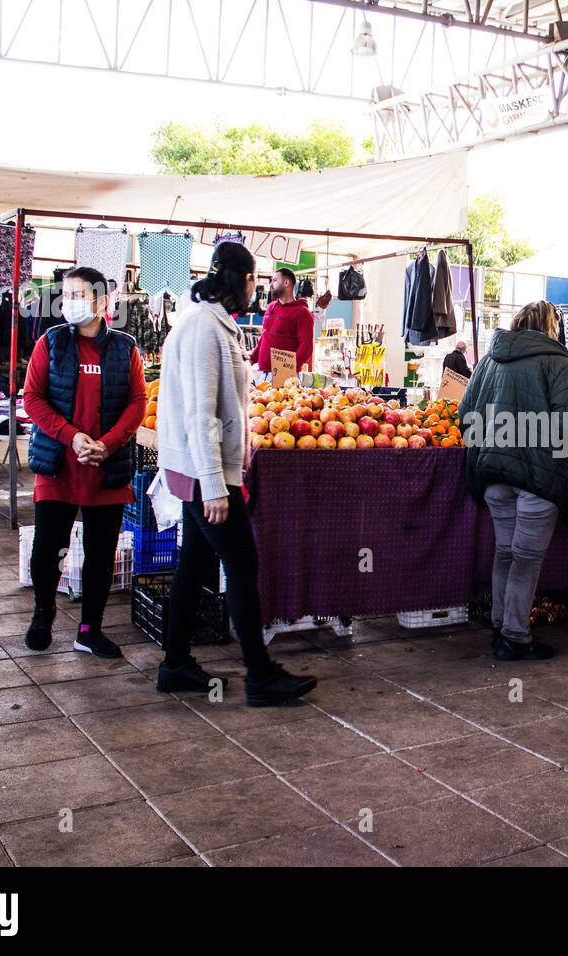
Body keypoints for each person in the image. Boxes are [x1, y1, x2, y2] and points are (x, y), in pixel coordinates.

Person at [157, 241, 316, 707]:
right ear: (236, 279)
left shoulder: (209, 322)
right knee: (243, 565)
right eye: (252, 279)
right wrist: (214, 483)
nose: (257, 288)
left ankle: (175, 663)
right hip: (204, 469)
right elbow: (201, 413)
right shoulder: (205, 328)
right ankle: (260, 675)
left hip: (196, 467)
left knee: (193, 563)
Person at [23, 267, 146, 657]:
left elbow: (137, 403)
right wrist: (71, 436)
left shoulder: (125, 348)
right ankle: (43, 614)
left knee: (100, 553)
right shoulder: (51, 342)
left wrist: (106, 446)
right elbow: (33, 398)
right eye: (67, 294)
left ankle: (89, 629)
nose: (70, 302)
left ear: (102, 302)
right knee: (48, 548)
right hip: (59, 464)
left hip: (106, 469)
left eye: (79, 294)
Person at [459, 300, 568, 661]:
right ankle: (514, 637)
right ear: (552, 326)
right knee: (526, 557)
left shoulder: (489, 360)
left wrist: (498, 437)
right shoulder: (560, 364)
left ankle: (501, 626)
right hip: (539, 476)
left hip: (493, 474)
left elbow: (465, 414)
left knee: (506, 551)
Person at [249, 267, 313, 375]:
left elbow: (306, 347)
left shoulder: (302, 313)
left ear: (286, 282)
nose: (271, 284)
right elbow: (264, 337)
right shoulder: (270, 307)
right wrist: (251, 359)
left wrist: (287, 369)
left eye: (274, 280)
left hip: (285, 377)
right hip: (262, 373)